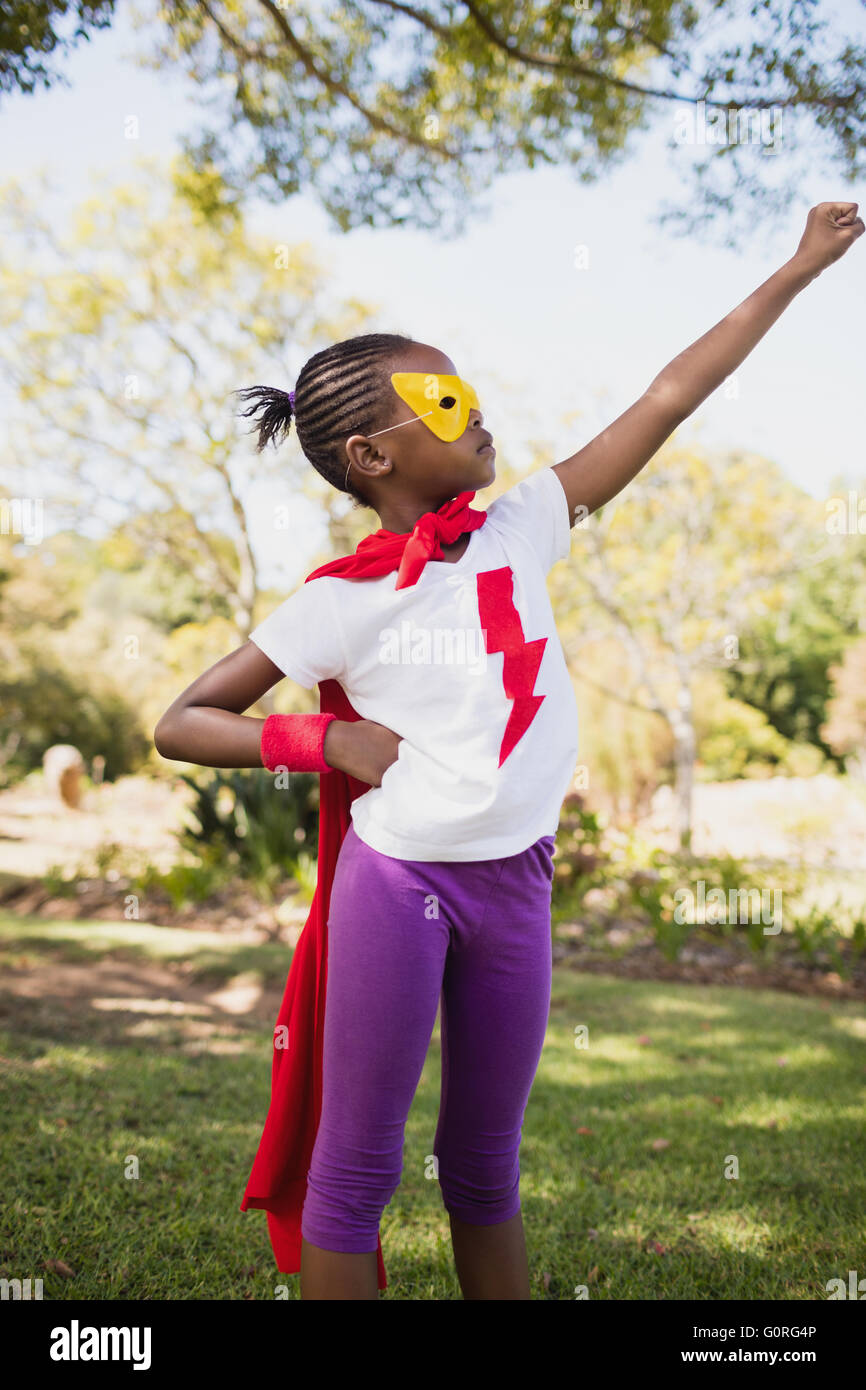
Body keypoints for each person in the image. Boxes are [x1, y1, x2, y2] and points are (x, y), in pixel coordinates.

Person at [154, 202, 863, 1300]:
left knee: (483, 1167)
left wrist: (797, 269)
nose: (475, 412)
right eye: (443, 401)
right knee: (357, 1166)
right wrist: (326, 735)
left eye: (470, 392)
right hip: (396, 883)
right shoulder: (336, 603)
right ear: (370, 454)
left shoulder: (525, 522)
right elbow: (183, 720)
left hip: (515, 883)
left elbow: (667, 396)